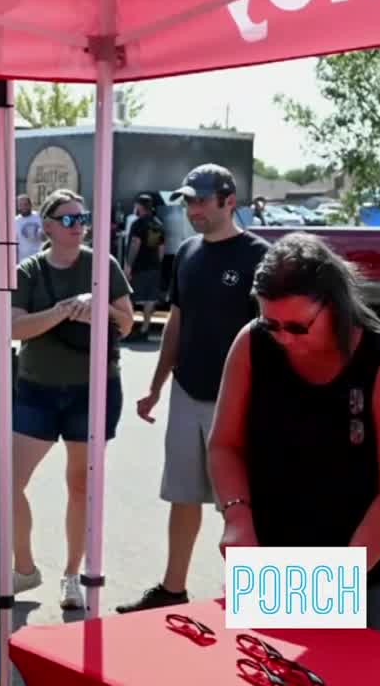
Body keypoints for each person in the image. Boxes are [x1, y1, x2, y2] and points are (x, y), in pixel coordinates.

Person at [208, 233, 380, 637]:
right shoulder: (252, 344)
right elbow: (224, 445)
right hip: (275, 556)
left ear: (334, 304)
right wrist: (237, 518)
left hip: (371, 570)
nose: (283, 338)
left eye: (298, 326)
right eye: (272, 323)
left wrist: (335, 584)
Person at [118, 163, 269, 613]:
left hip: (239, 399)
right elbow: (177, 324)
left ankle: (255, 600)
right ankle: (172, 589)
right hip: (187, 390)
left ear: (229, 201)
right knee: (183, 497)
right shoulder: (186, 253)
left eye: (202, 200)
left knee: (240, 505)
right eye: (189, 200)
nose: (194, 209)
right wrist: (156, 385)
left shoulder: (260, 256)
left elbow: (274, 333)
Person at [10, 189, 135, 610]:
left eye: (82, 217)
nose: (77, 224)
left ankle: (71, 575)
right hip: (37, 388)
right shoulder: (28, 270)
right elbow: (13, 328)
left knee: (80, 484)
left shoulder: (103, 265)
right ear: (46, 227)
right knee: (11, 482)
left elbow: (127, 323)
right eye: (67, 219)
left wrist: (98, 305)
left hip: (92, 389)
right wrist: (64, 309)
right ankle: (24, 569)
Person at [123, 193, 167, 341]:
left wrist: (128, 266)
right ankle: (145, 329)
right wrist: (156, 263)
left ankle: (127, 330)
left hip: (139, 267)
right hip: (154, 267)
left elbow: (135, 244)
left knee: (129, 298)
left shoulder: (138, 223)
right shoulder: (158, 223)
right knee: (150, 298)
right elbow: (161, 248)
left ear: (139, 206)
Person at [16, 194, 43, 261]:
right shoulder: (15, 221)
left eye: (25, 204)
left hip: (39, 257)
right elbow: (15, 243)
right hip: (23, 260)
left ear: (30, 205)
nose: (23, 207)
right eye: (20, 205)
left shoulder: (39, 217)